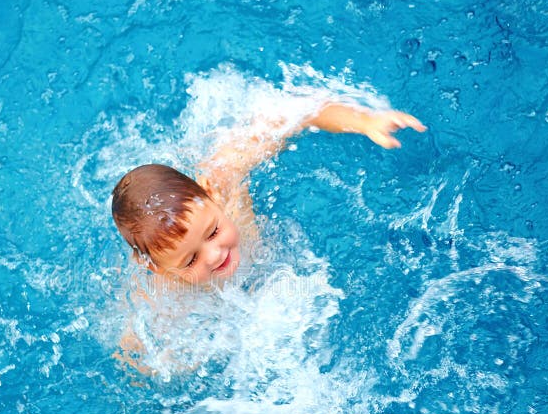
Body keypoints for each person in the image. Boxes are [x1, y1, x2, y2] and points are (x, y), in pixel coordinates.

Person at [111, 100, 426, 290]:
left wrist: (365, 122)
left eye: (213, 231)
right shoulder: (164, 292)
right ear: (158, 268)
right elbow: (137, 349)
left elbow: (294, 114)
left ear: (210, 194)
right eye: (190, 260)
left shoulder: (225, 178)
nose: (215, 255)